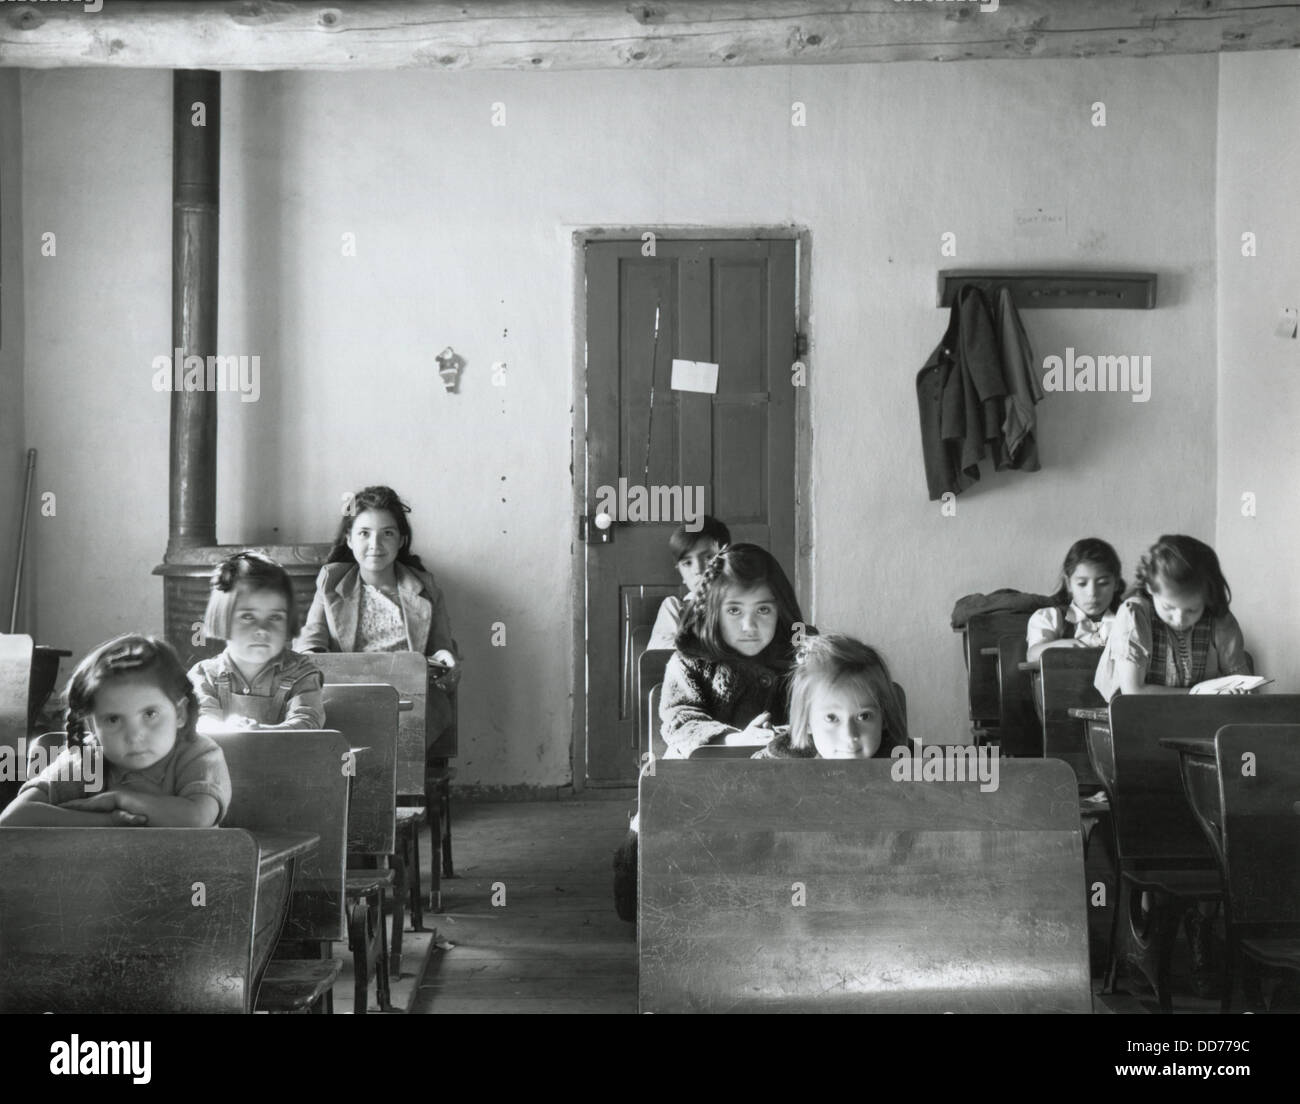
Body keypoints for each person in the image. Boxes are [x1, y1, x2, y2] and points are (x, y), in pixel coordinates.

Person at [0, 634, 231, 827]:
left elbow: (196, 818)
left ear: (179, 714)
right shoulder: (87, 760)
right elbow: (13, 819)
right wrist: (107, 821)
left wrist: (119, 799)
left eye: (150, 714)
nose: (134, 735)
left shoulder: (198, 755)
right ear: (93, 726)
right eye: (113, 719)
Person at [659, 543, 805, 758]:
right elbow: (681, 720)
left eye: (763, 610)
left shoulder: (803, 657)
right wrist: (734, 741)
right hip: (708, 777)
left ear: (781, 610)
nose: (749, 626)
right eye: (734, 610)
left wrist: (783, 736)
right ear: (712, 613)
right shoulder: (690, 661)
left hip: (785, 779)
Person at [297, 485, 456, 666]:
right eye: (364, 533)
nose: (375, 544)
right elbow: (312, 635)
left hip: (412, 690)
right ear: (349, 539)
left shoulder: (426, 588)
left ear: (401, 540)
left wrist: (444, 657)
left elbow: (442, 649)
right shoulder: (331, 582)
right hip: (349, 689)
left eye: (387, 533)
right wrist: (310, 654)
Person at [1094, 534, 1252, 700]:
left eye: (1192, 610)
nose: (1179, 619)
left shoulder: (1219, 620)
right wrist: (1197, 693)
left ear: (1207, 597)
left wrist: (1240, 695)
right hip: (1134, 718)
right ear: (1150, 587)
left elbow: (1244, 681)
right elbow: (1133, 693)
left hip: (1200, 718)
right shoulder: (1135, 615)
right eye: (1168, 607)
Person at [189, 551, 325, 732]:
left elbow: (307, 721)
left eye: (275, 617)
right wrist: (230, 731)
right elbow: (202, 722)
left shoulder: (303, 673)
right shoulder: (204, 675)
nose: (262, 630)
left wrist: (260, 734)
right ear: (222, 619)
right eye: (247, 616)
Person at [755, 633, 908, 760]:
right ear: (807, 722)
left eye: (864, 716)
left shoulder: (909, 767)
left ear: (884, 718)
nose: (849, 735)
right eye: (831, 718)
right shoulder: (772, 768)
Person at [1026, 538, 1124, 663]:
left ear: (1116, 583)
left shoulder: (1126, 619)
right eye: (1082, 584)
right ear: (1068, 584)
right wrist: (1065, 645)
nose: (1092, 593)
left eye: (1103, 583)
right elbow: (1033, 655)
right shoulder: (1051, 618)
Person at [646, 516, 731, 650]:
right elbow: (658, 655)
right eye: (687, 563)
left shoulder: (744, 604)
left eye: (709, 557)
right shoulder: (675, 607)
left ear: (728, 560)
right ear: (680, 573)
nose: (698, 569)